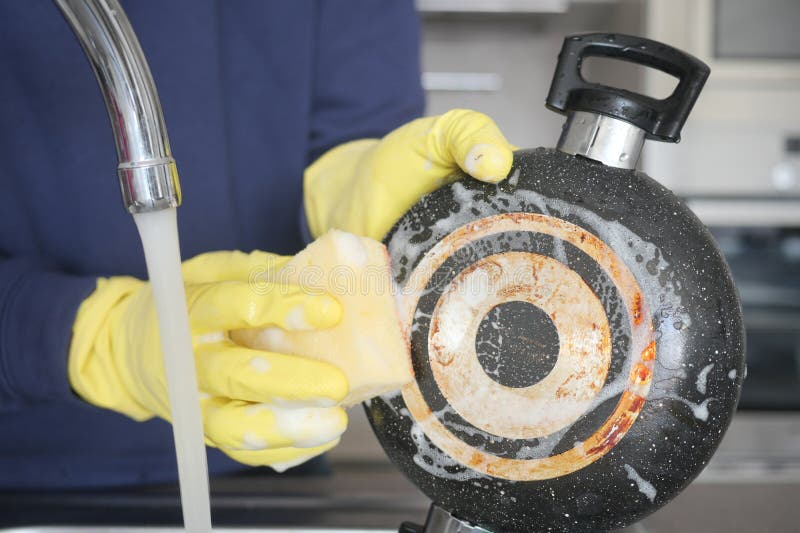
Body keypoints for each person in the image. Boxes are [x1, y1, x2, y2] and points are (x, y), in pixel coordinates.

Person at [0, 0, 513, 489]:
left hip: (269, 449)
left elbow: (355, 112)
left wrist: (343, 186)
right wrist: (91, 341)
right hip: (18, 462)